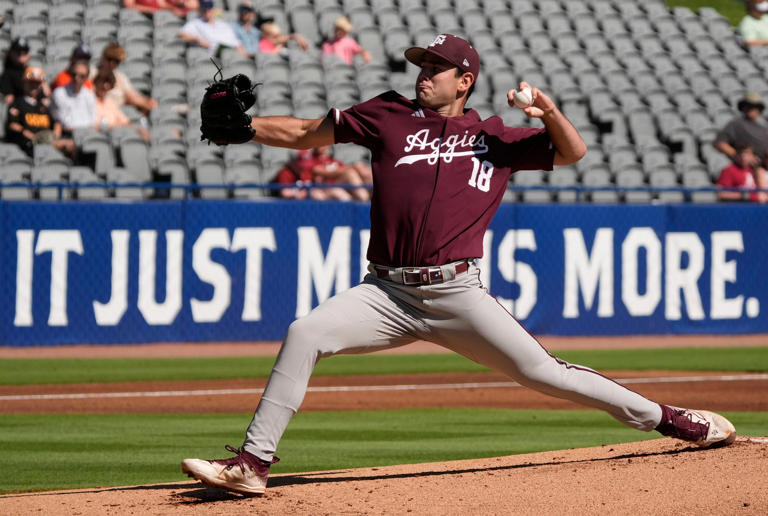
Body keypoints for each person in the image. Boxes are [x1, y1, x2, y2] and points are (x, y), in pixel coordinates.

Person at [181, 33, 737, 496]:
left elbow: (571, 153)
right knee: (305, 332)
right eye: (422, 64)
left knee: (546, 373)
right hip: (387, 293)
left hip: (457, 294)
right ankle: (251, 466)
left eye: (436, 67)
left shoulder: (491, 136)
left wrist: (547, 111)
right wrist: (248, 128)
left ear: (463, 80)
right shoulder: (388, 115)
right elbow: (306, 132)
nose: (424, 73)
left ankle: (672, 419)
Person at [4, 66, 75, 158]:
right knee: (66, 145)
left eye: (36, 83)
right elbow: (13, 125)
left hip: (48, 143)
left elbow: (56, 123)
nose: (33, 86)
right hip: (28, 145)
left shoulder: (43, 106)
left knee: (71, 144)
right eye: (30, 83)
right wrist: (33, 137)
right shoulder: (17, 103)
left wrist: (55, 135)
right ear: (24, 83)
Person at [272, 145, 372, 200]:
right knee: (338, 190)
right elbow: (284, 193)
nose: (303, 166)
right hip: (322, 193)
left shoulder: (334, 162)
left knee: (358, 170)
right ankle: (363, 203)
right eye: (301, 162)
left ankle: (370, 199)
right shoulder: (287, 172)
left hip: (341, 189)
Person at [713, 92, 768, 189]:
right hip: (748, 170)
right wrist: (741, 156)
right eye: (748, 106)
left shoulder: (762, 128)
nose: (752, 109)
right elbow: (720, 143)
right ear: (743, 108)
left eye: (755, 107)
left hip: (764, 168)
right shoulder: (736, 124)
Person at [90, 42, 157, 116]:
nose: (112, 64)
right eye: (109, 59)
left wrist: (148, 102)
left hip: (116, 113)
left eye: (116, 61)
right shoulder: (91, 73)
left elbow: (132, 96)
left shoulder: (120, 77)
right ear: (103, 57)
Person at [93, 71, 150, 142]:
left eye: (109, 83)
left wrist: (138, 130)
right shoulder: (88, 100)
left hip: (115, 137)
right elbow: (96, 125)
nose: (105, 86)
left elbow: (126, 122)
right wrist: (115, 125)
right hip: (100, 138)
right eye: (103, 81)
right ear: (96, 82)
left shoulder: (109, 102)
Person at [179, 0, 249, 58]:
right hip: (215, 56)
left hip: (230, 52)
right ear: (200, 10)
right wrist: (198, 39)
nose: (207, 12)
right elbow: (182, 34)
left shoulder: (223, 24)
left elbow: (237, 43)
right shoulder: (196, 23)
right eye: (204, 10)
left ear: (212, 10)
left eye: (209, 10)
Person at [51, 60, 96, 134]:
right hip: (67, 134)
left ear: (87, 77)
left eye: (82, 76)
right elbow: (63, 121)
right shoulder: (59, 93)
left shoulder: (90, 94)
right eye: (74, 74)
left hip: (87, 133)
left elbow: (92, 119)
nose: (77, 78)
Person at [0, 37, 32, 105]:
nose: (21, 55)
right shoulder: (7, 75)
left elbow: (46, 93)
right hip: (19, 111)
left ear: (29, 55)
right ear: (11, 54)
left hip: (33, 111)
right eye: (18, 53)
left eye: (25, 52)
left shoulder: (31, 72)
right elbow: (9, 99)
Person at [123, 0, 198, 17]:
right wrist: (150, 10)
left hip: (165, 16)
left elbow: (195, 5)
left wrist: (182, 3)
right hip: (145, 17)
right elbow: (129, 5)